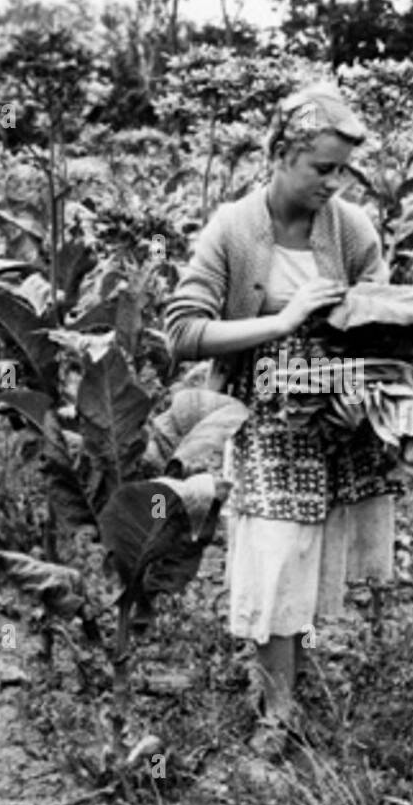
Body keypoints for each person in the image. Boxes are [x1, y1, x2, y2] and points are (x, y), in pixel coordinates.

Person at [164, 83, 401, 760]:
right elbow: (182, 332)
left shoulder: (351, 230)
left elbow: (384, 322)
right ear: (279, 154)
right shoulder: (235, 229)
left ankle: (281, 682)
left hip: (334, 416)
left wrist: (366, 390)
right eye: (320, 168)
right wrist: (283, 320)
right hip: (262, 416)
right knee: (273, 553)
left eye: (342, 170)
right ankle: (280, 709)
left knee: (306, 555)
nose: (333, 183)